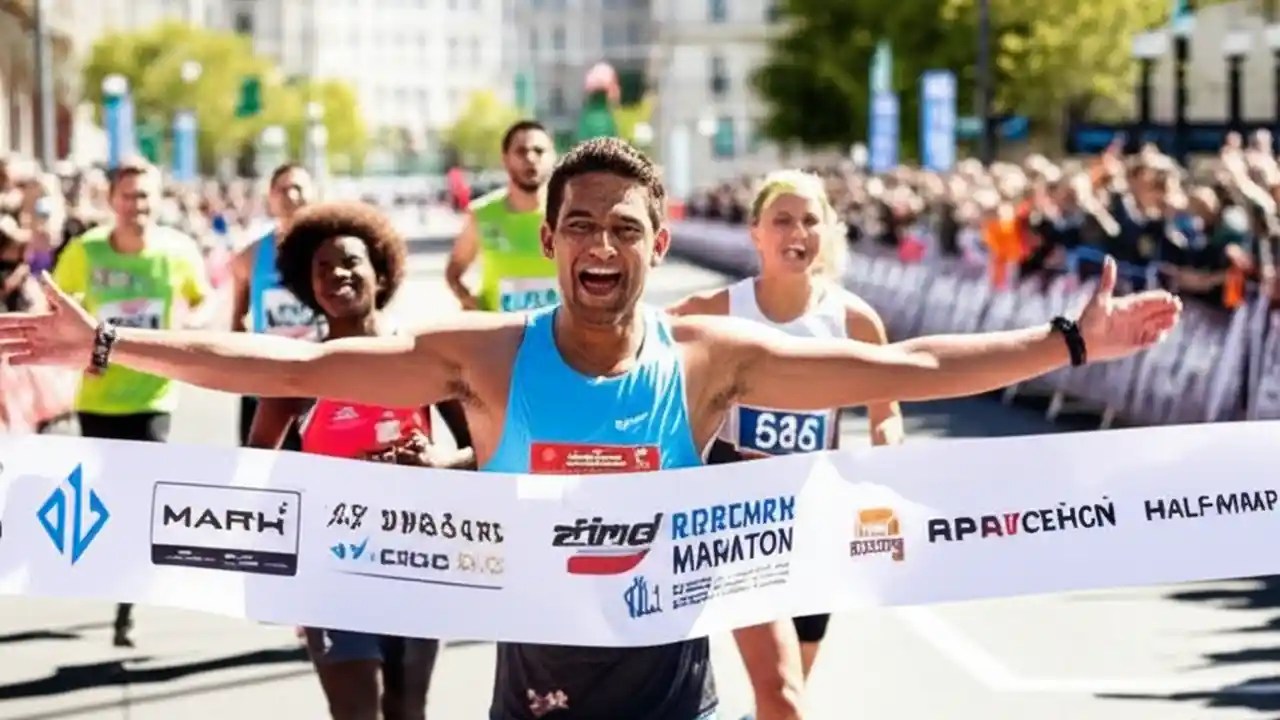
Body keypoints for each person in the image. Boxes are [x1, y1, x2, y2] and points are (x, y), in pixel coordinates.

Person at [0, 138, 1181, 720]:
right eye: (579, 227)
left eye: (624, 228)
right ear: (551, 240)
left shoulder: (709, 361)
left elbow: (905, 364)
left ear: (657, 246)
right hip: (533, 694)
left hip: (671, 693)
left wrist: (1067, 347)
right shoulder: (486, 355)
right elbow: (294, 361)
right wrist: (103, 346)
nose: (600, 246)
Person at [668, 170, 906, 716]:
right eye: (782, 221)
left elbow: (885, 412)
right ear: (755, 232)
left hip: (810, 517)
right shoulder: (716, 310)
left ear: (827, 231)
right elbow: (635, 351)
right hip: (732, 518)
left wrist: (884, 461)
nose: (796, 232)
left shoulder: (854, 321)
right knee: (774, 691)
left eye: (809, 220)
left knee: (790, 687)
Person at [246, 201, 474, 720]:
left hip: (416, 559)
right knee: (356, 712)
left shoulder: (420, 358)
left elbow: (483, 450)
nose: (336, 276)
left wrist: (439, 463)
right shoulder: (296, 370)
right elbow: (257, 463)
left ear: (381, 271)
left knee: (406, 710)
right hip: (331, 568)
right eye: (321, 268)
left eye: (350, 262)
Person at [47, 157, 213, 648]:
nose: (136, 205)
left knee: (143, 496)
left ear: (158, 201)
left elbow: (203, 300)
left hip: (154, 394)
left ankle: (126, 605)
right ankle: (116, 573)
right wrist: (78, 354)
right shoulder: (86, 250)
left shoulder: (178, 250)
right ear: (111, 200)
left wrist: (189, 330)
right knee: (109, 499)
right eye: (127, 196)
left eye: (145, 196)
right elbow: (58, 306)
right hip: (99, 399)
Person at [230, 163, 322, 446]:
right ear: (271, 197)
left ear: (314, 194)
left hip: (321, 383)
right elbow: (237, 322)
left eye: (299, 188)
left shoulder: (332, 251)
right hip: (267, 387)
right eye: (283, 189)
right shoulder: (251, 255)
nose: (292, 196)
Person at [445, 120, 558, 313]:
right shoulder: (481, 214)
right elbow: (454, 272)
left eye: (539, 151)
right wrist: (468, 300)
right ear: (505, 159)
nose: (531, 158)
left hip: (557, 338)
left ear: (553, 157)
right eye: (521, 151)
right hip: (501, 339)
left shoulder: (568, 214)